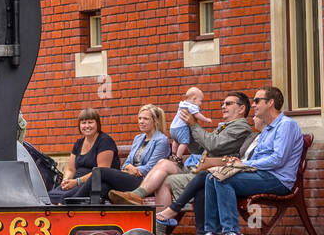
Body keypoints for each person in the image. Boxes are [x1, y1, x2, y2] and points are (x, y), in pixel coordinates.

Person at [186, 86, 304, 235]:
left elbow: (278, 159)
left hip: (278, 179)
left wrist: (244, 164)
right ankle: (213, 232)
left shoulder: (286, 125)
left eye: (257, 101)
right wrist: (236, 162)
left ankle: (233, 233)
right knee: (211, 176)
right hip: (261, 174)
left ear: (270, 103)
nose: (253, 104)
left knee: (223, 179)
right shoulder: (267, 129)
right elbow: (256, 157)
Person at [108, 91, 252, 209]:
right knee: (164, 163)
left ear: (241, 108)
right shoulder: (224, 126)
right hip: (198, 168)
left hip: (212, 173)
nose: (223, 107)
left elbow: (214, 145)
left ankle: (158, 225)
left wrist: (194, 125)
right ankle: (137, 196)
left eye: (228, 104)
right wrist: (185, 131)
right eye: (223, 104)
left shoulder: (240, 127)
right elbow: (200, 149)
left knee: (165, 180)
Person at [67, 105, 169, 200]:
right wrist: (129, 168)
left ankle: (71, 202)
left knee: (101, 171)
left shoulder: (161, 140)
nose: (141, 122)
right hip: (129, 176)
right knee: (103, 187)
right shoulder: (138, 138)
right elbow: (126, 164)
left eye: (145, 119)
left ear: (155, 121)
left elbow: (152, 168)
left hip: (145, 182)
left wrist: (134, 169)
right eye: (140, 118)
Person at [48, 108, 119, 203]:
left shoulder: (105, 141)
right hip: (75, 182)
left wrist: (77, 181)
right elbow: (70, 169)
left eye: (90, 122)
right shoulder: (78, 143)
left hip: (96, 184)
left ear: (97, 124)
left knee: (66, 199)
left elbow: (102, 171)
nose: (87, 126)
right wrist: (66, 180)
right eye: (83, 123)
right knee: (49, 197)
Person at [169, 87, 214, 163]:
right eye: (200, 101)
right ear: (194, 99)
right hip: (181, 128)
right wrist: (206, 119)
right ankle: (178, 157)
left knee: (176, 141)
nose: (201, 103)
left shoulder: (182, 104)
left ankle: (173, 153)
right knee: (184, 143)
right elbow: (197, 115)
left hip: (173, 127)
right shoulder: (192, 106)